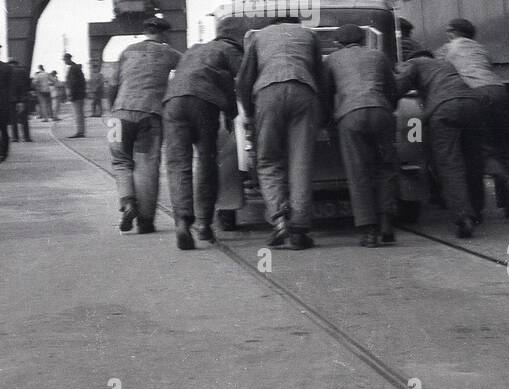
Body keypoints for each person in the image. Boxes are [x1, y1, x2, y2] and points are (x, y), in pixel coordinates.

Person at [236, 16, 326, 250]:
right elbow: (321, 75)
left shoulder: (259, 36)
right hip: (304, 91)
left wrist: (249, 114)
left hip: (268, 94)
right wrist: (323, 114)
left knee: (268, 161)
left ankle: (278, 220)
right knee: (301, 162)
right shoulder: (309, 35)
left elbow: (245, 79)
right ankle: (299, 229)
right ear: (295, 23)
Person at [163, 16, 246, 250]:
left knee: (178, 164)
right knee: (207, 163)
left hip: (172, 103)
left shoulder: (195, 49)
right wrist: (233, 115)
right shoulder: (229, 50)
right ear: (237, 36)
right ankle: (203, 225)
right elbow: (242, 80)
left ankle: (182, 221)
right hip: (202, 102)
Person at [395, 49, 490, 238]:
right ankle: (477, 211)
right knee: (473, 160)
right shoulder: (445, 64)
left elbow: (398, 87)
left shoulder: (413, 63)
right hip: (472, 104)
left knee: (449, 164)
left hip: (444, 109)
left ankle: (464, 217)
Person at [323, 24, 399, 247]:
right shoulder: (378, 56)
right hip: (381, 112)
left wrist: (330, 121)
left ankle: (368, 231)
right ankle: (387, 223)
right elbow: (392, 89)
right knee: (386, 168)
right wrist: (385, 109)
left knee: (358, 172)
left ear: (338, 43)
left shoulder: (332, 60)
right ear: (363, 39)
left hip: (350, 115)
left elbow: (326, 94)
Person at [437, 17, 509, 219]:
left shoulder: (447, 49)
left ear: (452, 33)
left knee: (478, 151)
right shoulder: (481, 48)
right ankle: (507, 199)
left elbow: (437, 69)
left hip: (476, 94)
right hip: (499, 91)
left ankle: (479, 206)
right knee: (501, 146)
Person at [109, 18, 182, 235]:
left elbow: (113, 84)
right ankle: (146, 221)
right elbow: (188, 71)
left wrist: (111, 110)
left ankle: (128, 202)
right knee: (147, 166)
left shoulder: (127, 51)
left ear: (145, 32)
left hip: (119, 113)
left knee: (120, 161)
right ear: (164, 34)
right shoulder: (170, 53)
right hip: (150, 115)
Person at [8, 58, 33, 142]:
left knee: (13, 119)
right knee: (24, 119)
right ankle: (26, 137)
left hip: (11, 98)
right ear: (17, 64)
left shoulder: (7, 72)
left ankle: (15, 137)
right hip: (23, 98)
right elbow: (29, 86)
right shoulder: (24, 71)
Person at [64, 54, 87, 137]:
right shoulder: (76, 67)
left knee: (78, 114)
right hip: (80, 94)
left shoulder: (73, 68)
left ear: (68, 59)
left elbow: (73, 83)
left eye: (65, 59)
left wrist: (71, 94)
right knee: (79, 113)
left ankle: (80, 132)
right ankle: (81, 131)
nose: (64, 61)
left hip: (77, 95)